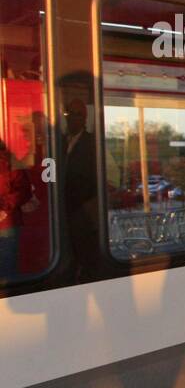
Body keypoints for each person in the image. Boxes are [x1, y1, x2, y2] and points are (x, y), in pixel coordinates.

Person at [61, 97, 98, 282]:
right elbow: (50, 171)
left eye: (77, 115)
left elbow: (97, 177)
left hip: (83, 208)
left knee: (82, 250)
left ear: (84, 118)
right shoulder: (58, 142)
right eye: (69, 114)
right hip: (62, 207)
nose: (72, 118)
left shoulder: (93, 144)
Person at [0, 140, 34, 278]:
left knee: (7, 270)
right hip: (7, 223)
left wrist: (3, 207)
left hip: (6, 226)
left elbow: (24, 191)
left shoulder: (10, 161)